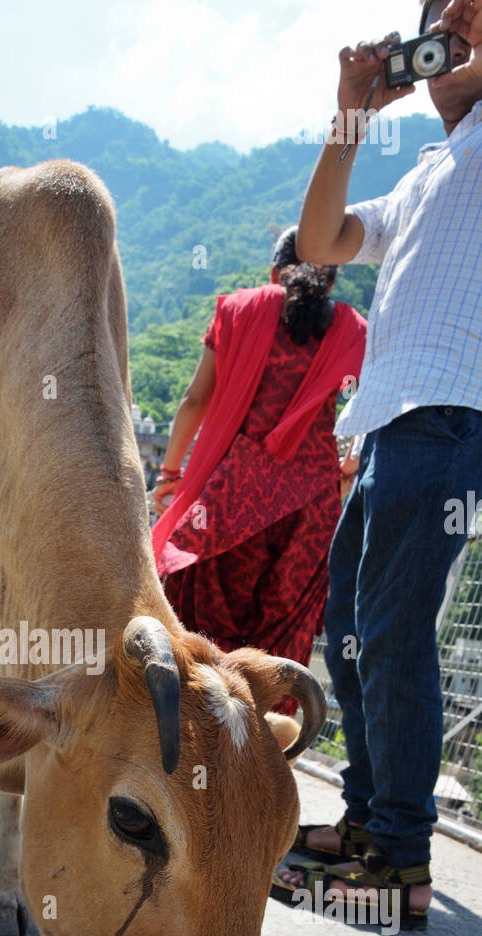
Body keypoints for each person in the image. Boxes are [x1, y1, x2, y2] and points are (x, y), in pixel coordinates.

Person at [276, 0, 482, 931]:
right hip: (389, 425)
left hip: (450, 418)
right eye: (441, 12)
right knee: (355, 628)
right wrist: (352, 111)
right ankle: (368, 823)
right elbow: (317, 243)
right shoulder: (429, 170)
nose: (456, 16)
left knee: (395, 633)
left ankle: (398, 862)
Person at [152, 231, 366, 713]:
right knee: (282, 632)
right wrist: (347, 466)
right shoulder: (354, 329)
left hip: (238, 495)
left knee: (198, 620)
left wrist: (172, 473)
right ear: (330, 277)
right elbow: (363, 414)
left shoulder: (241, 310)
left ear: (275, 273)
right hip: (313, 504)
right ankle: (261, 741)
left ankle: (189, 729)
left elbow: (195, 400)